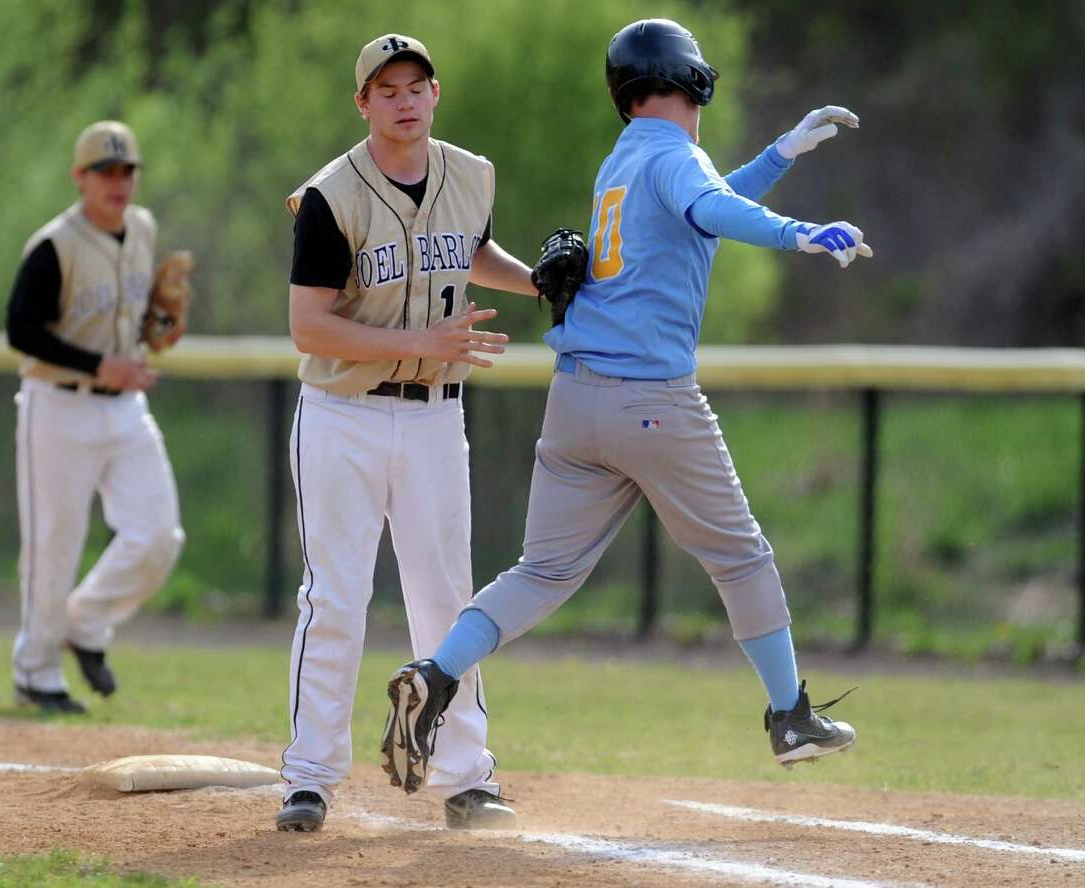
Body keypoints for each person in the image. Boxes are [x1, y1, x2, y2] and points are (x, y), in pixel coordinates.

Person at [382, 18, 871, 794]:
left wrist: (780, 155)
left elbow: (705, 203)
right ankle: (790, 715)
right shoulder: (673, 154)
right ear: (691, 78)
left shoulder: (628, 157)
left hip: (577, 403)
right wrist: (802, 234)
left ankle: (435, 675)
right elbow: (710, 209)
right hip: (652, 401)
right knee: (740, 556)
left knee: (541, 571)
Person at [276, 33, 537, 833]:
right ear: (363, 103)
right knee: (337, 598)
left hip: (434, 417)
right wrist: (424, 343)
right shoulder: (331, 196)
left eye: (416, 85)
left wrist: (537, 281)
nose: (404, 99)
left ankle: (467, 776)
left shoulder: (471, 174)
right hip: (343, 415)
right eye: (386, 88)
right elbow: (309, 326)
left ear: (435, 93)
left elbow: (468, 249)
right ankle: (310, 779)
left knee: (448, 599)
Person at [5, 121, 186, 715]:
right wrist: (101, 363)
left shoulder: (142, 228)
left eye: (126, 170)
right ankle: (36, 670)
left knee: (159, 535)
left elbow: (132, 320)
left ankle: (85, 621)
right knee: (53, 542)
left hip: (126, 406)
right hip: (58, 405)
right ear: (79, 178)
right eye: (105, 171)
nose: (118, 181)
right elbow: (21, 330)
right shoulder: (54, 245)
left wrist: (154, 325)